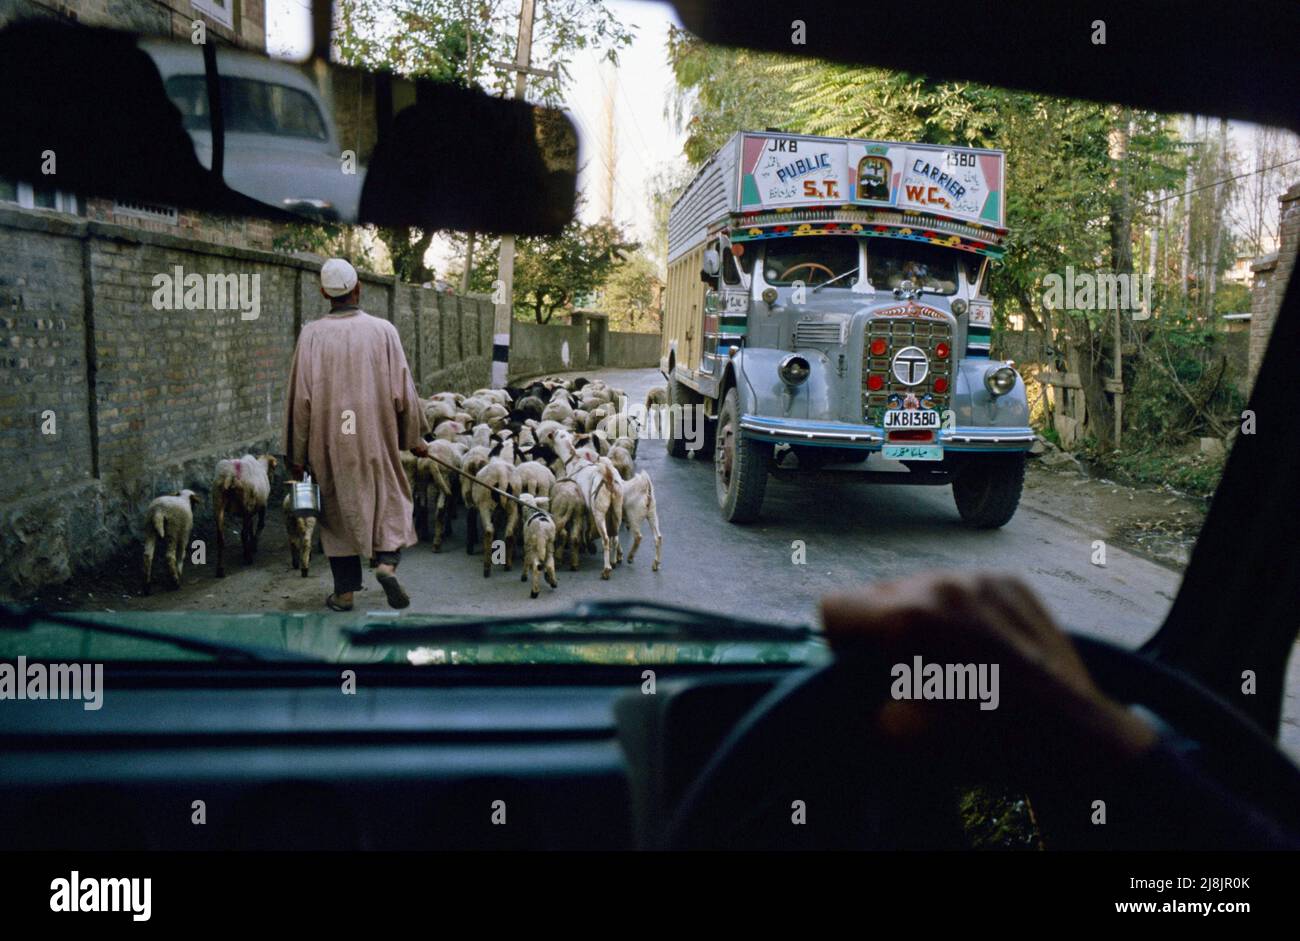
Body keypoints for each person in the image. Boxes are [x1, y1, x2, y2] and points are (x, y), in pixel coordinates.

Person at [284, 258, 429, 611]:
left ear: (323, 293)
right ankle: (385, 564)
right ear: (358, 289)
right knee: (390, 502)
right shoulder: (384, 331)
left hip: (329, 443)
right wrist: (415, 439)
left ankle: (345, 593)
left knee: (335, 513)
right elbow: (403, 392)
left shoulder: (312, 335)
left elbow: (300, 399)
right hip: (375, 438)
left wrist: (296, 456)